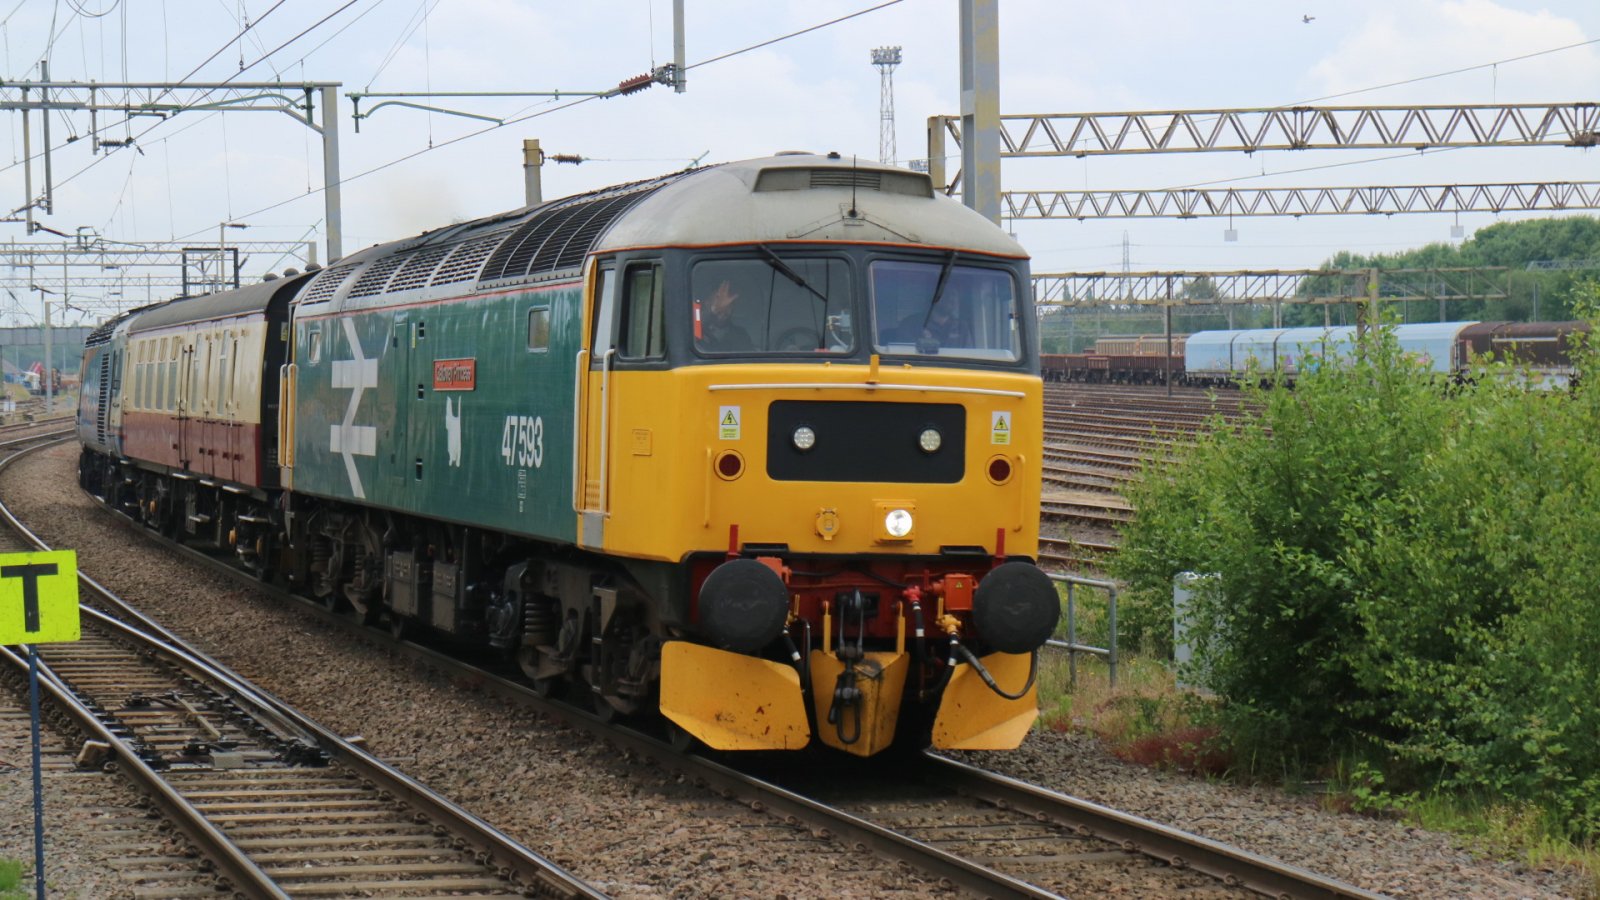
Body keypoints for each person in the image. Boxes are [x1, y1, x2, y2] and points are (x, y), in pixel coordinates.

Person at [696, 279, 753, 352]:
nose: (724, 308)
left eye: (729, 305)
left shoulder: (741, 335)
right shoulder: (697, 330)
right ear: (707, 302)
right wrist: (714, 310)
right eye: (718, 300)